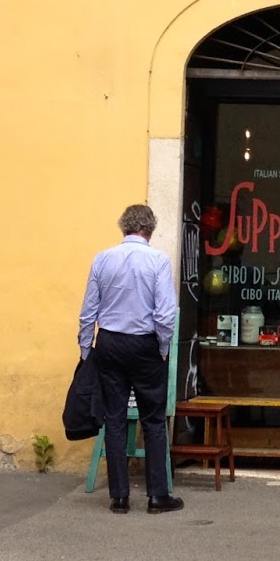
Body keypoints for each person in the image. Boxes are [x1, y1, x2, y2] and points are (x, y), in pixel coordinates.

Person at [78, 204, 184, 514]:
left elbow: (88, 311)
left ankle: (119, 497)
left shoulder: (103, 259)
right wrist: (163, 347)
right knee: (153, 420)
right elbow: (164, 314)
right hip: (144, 345)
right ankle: (157, 495)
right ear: (150, 230)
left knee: (114, 418)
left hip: (109, 342)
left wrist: (87, 351)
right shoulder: (158, 261)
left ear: (123, 227)